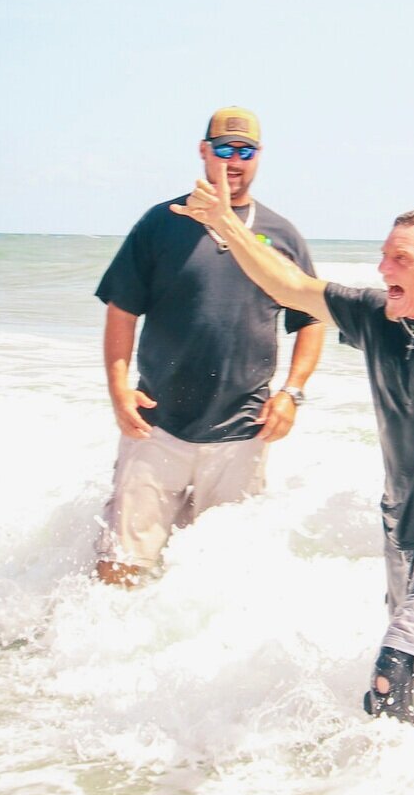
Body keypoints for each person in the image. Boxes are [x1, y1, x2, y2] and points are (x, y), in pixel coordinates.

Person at [172, 168, 414, 728]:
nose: (383, 269)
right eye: (383, 256)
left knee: (393, 669)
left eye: (399, 259)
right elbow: (287, 286)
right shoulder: (376, 315)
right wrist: (226, 223)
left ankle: (380, 792)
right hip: (402, 524)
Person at [93, 106, 324, 585]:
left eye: (245, 151)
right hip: (156, 427)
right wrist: (118, 389)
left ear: (259, 157)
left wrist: (292, 392)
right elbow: (121, 310)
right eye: (224, 149)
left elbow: (312, 319)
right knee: (119, 566)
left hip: (243, 432)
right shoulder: (161, 224)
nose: (234, 160)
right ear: (203, 152)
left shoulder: (281, 235)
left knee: (226, 578)